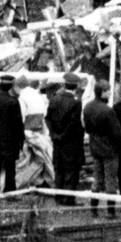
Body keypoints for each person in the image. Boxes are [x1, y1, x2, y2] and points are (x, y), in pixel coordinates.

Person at [83, 81, 121, 217]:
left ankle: (93, 209)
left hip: (95, 148)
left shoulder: (87, 108)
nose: (110, 93)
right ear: (102, 92)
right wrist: (120, 147)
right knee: (110, 181)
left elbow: (87, 128)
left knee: (97, 179)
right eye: (108, 91)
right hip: (109, 150)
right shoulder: (108, 111)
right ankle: (111, 211)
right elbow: (117, 133)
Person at [45, 73, 85, 203]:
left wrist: (54, 135)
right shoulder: (76, 103)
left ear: (65, 84)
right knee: (71, 171)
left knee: (59, 169)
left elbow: (48, 119)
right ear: (76, 86)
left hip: (57, 142)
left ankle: (58, 197)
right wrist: (63, 136)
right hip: (71, 142)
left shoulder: (54, 99)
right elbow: (74, 124)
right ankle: (68, 199)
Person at [0, 74, 25, 193]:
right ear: (11, 86)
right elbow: (18, 124)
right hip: (10, 141)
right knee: (10, 168)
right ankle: (9, 191)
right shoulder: (13, 102)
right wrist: (20, 141)